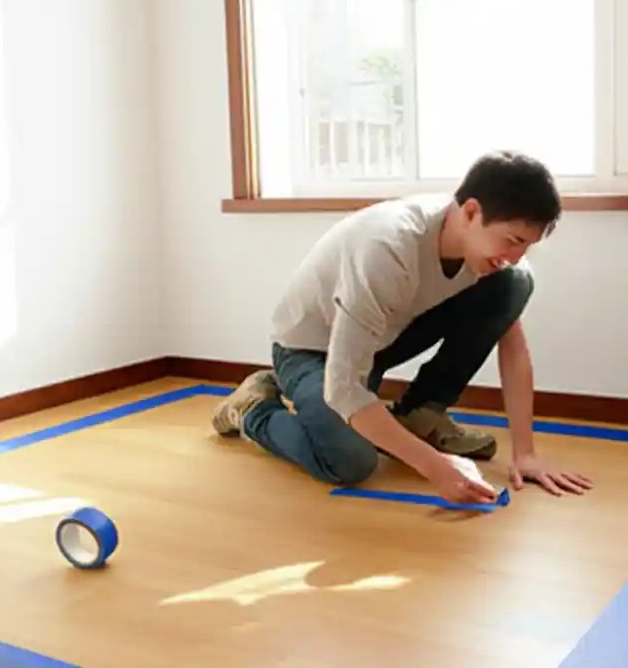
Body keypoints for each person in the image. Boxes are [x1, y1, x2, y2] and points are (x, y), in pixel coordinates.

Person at [211, 150, 592, 505]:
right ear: (471, 211)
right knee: (349, 461)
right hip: (309, 350)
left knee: (514, 284)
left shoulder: (485, 253)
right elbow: (344, 388)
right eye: (513, 240)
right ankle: (253, 409)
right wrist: (434, 467)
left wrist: (525, 454)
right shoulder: (387, 247)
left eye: (527, 246)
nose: (516, 255)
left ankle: (419, 412)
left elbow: (512, 344)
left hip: (376, 341)